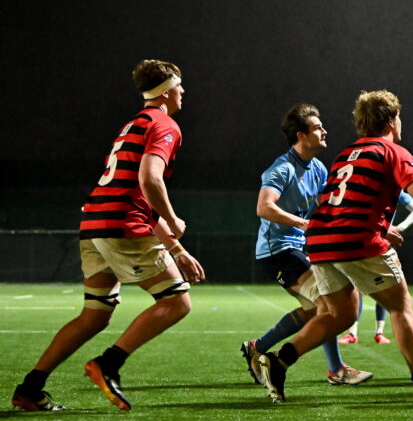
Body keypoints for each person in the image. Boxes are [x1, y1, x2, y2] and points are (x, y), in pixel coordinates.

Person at [257, 89, 413, 403]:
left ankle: (278, 360)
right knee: (401, 306)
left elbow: (336, 201)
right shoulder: (391, 150)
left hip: (321, 242)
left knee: (342, 314)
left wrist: (381, 225)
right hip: (356, 241)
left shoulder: (346, 154)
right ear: (391, 120)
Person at [12, 60, 205, 412]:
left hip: (95, 222)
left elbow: (131, 192)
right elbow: (149, 181)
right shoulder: (165, 124)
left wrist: (175, 248)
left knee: (95, 315)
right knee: (177, 301)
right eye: (180, 86)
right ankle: (108, 364)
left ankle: (30, 388)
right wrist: (174, 219)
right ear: (165, 91)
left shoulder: (132, 124)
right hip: (121, 225)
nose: (183, 92)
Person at [241, 104, 371, 389]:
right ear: (301, 135)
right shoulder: (282, 168)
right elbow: (264, 207)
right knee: (331, 306)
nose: (325, 131)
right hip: (279, 251)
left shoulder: (318, 168)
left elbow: (327, 210)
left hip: (301, 249)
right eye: (317, 127)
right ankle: (336, 370)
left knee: (316, 310)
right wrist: (303, 225)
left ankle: (257, 347)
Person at [340, 191, 413, 345]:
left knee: (386, 285)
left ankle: (379, 332)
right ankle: (352, 333)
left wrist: (399, 228)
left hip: (381, 242)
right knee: (356, 286)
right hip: (363, 240)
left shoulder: (396, 191)